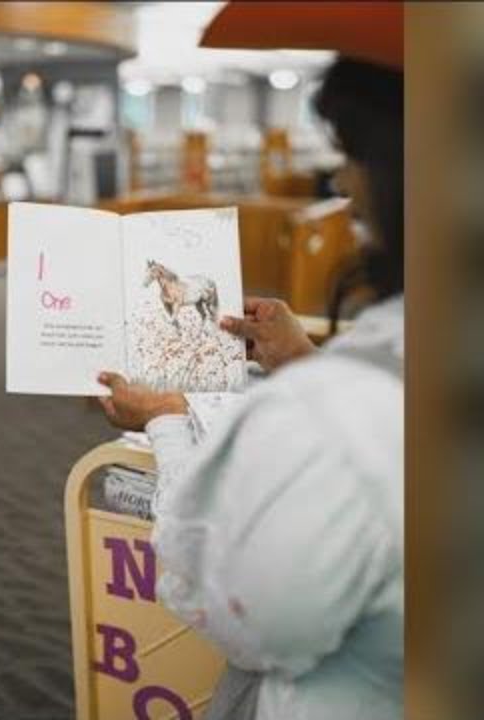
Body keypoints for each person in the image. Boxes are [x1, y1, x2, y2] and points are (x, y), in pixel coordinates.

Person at [96, 5, 403, 719]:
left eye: (354, 155)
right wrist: (302, 361)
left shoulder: (335, 419)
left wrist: (168, 421)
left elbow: (235, 614)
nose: (344, 185)